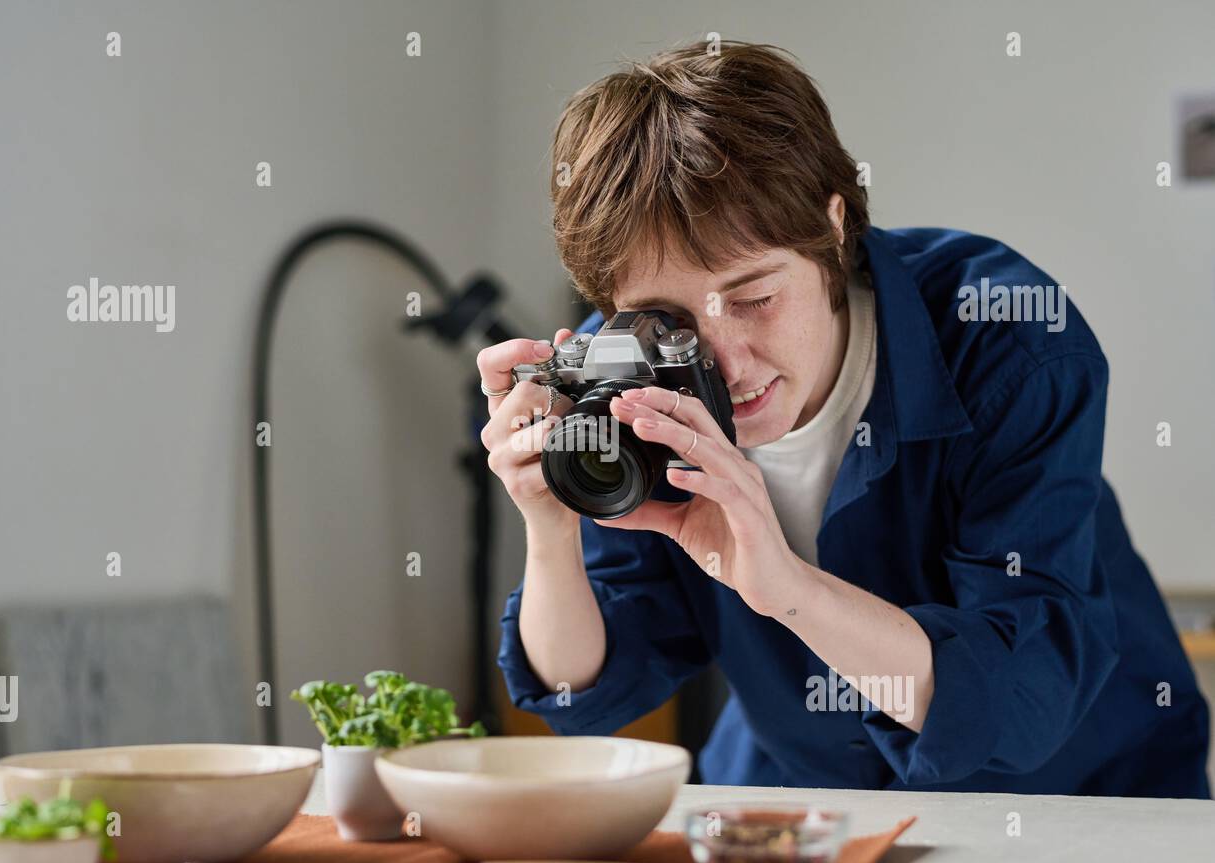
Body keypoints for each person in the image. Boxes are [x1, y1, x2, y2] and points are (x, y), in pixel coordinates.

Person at [478, 41, 1210, 797]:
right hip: (805, 782)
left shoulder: (1009, 337)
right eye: (668, 320)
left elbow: (1023, 698)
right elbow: (581, 695)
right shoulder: (621, 368)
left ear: (831, 226)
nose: (725, 362)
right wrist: (550, 526)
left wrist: (787, 588)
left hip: (1076, 793)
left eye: (756, 297)